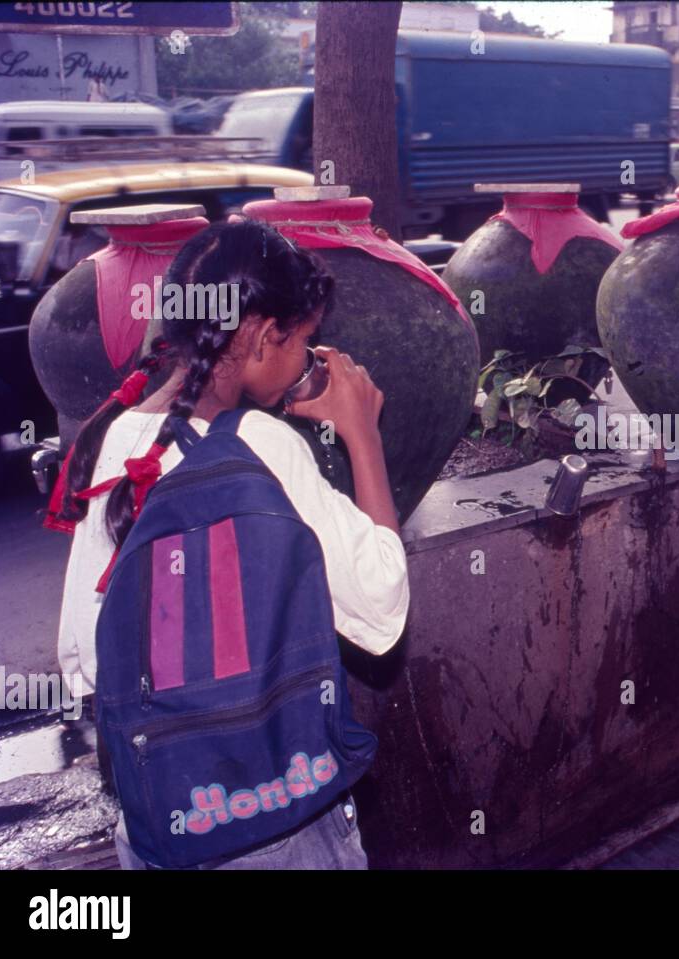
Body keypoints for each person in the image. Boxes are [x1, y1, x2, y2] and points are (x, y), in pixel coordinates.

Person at [50, 219, 410, 869]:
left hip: (160, 826)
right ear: (261, 336)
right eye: (304, 341)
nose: (307, 360)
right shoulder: (267, 449)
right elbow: (382, 609)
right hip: (277, 827)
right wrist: (362, 434)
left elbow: (83, 659)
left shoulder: (117, 436)